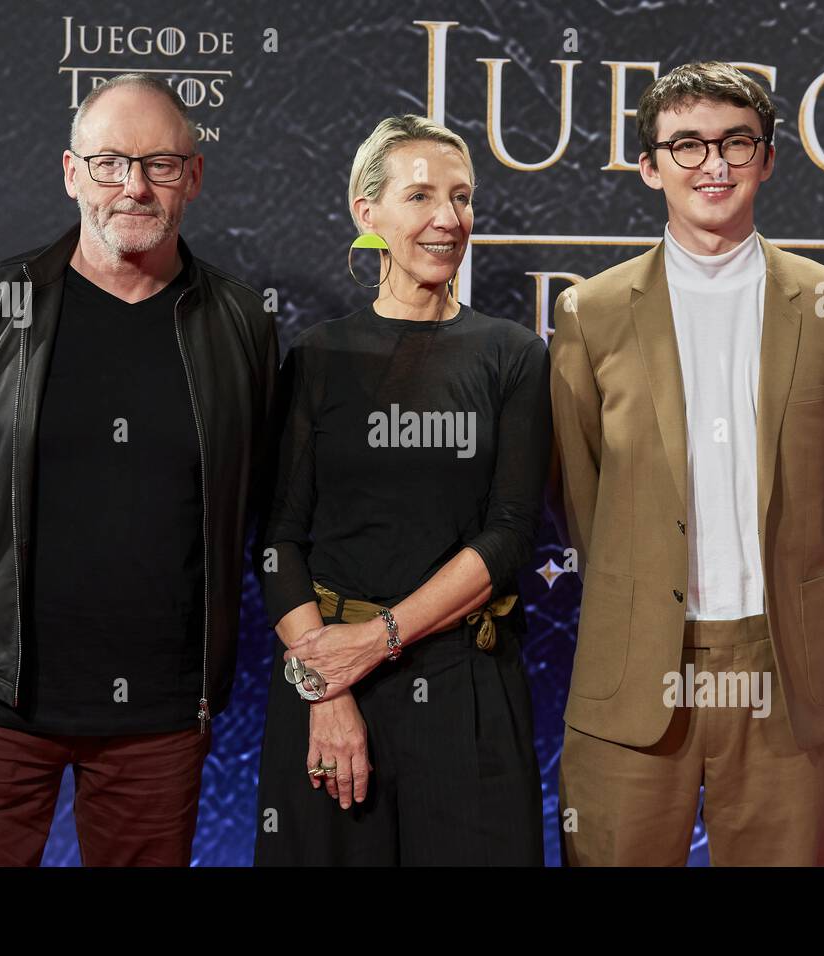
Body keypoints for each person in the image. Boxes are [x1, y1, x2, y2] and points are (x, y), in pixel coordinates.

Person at [0, 73, 277, 866]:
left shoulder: (241, 323)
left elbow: (258, 501)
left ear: (195, 178)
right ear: (72, 172)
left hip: (161, 713)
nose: (134, 186)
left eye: (160, 165)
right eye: (109, 163)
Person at [549, 61, 824, 865]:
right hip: (634, 668)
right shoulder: (588, 313)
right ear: (650, 165)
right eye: (688, 145)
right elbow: (580, 493)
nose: (715, 165)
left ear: (767, 159)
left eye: (737, 142)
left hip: (780, 668)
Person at [252, 114, 550, 865]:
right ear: (368, 213)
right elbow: (278, 538)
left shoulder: (512, 355)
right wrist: (328, 687)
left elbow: (510, 534)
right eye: (420, 197)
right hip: (326, 691)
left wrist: (376, 641)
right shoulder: (317, 359)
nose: (448, 219)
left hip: (467, 687)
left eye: (461, 197)